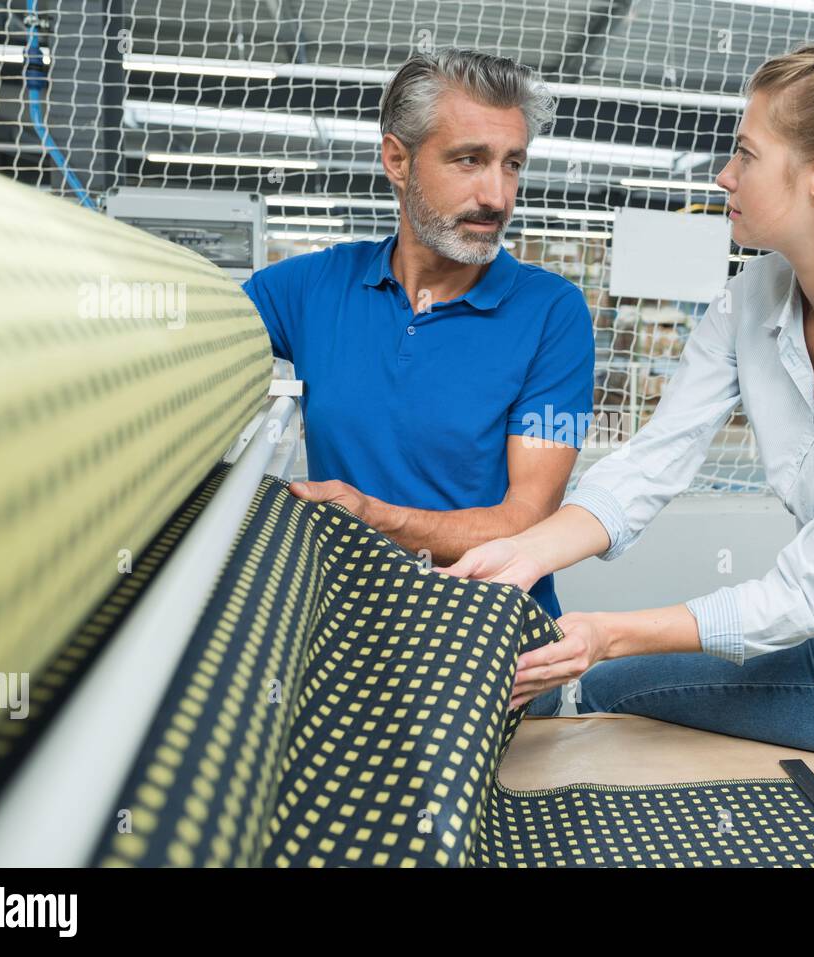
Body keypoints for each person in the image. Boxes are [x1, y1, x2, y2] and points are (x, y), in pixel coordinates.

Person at [438, 31, 814, 761]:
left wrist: (603, 636)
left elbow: (806, 597)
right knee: (621, 672)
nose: (723, 176)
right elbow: (652, 463)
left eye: (746, 153)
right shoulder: (751, 298)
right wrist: (522, 552)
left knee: (617, 680)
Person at [242, 49, 594, 622]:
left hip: (485, 625)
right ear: (397, 160)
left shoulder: (551, 312)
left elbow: (524, 519)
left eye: (512, 164)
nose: (497, 197)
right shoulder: (310, 288)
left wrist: (373, 515)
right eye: (469, 160)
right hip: (346, 621)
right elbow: (189, 342)